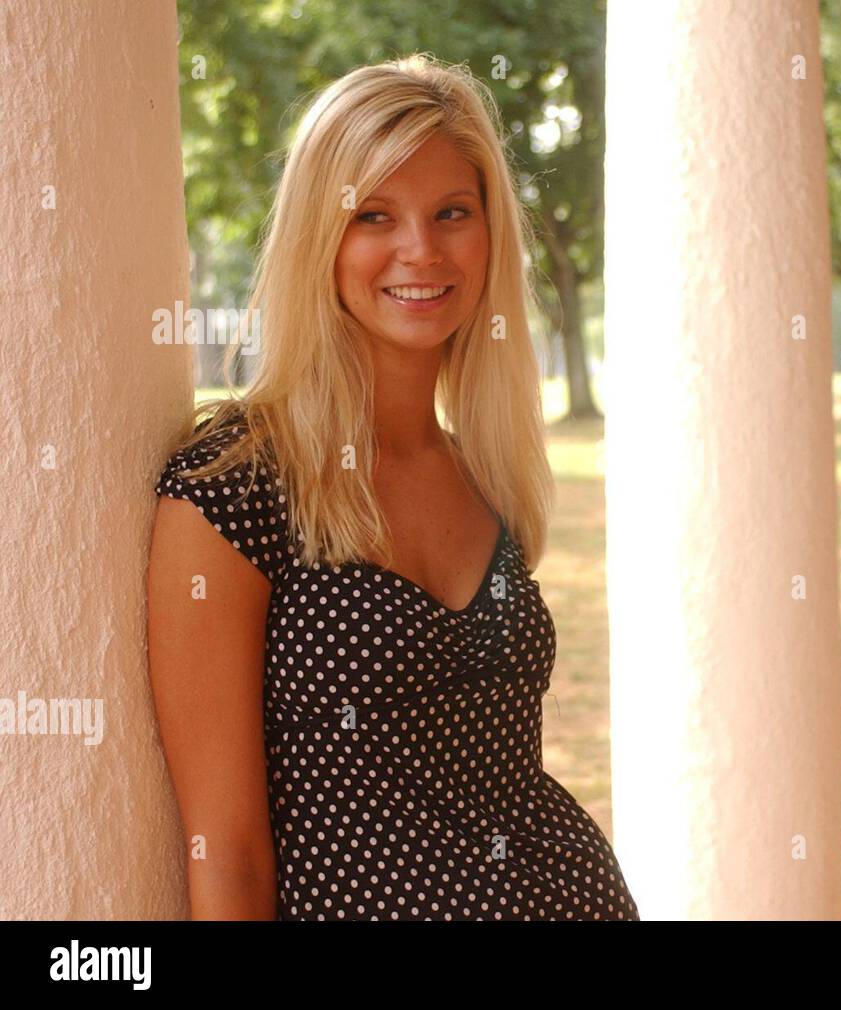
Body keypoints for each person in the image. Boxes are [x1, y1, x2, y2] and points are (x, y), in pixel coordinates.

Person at [146, 53, 639, 922]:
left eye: (453, 212)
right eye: (374, 215)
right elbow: (224, 850)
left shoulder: (489, 476)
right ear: (319, 240)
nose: (422, 249)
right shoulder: (235, 488)